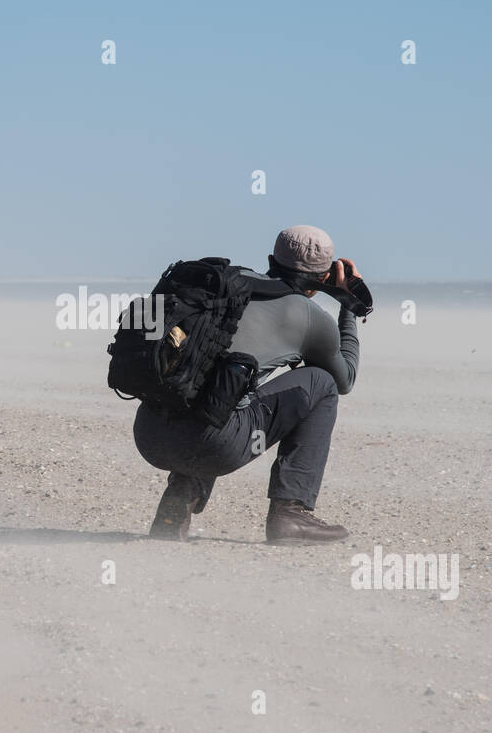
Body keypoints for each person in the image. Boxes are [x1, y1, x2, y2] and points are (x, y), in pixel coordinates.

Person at [132, 225, 362, 544]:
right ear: (325, 279)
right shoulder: (311, 317)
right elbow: (345, 379)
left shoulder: (224, 288)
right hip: (212, 448)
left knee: (212, 381)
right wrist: (348, 306)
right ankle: (289, 514)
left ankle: (180, 496)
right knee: (320, 382)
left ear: (271, 259)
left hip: (149, 434)